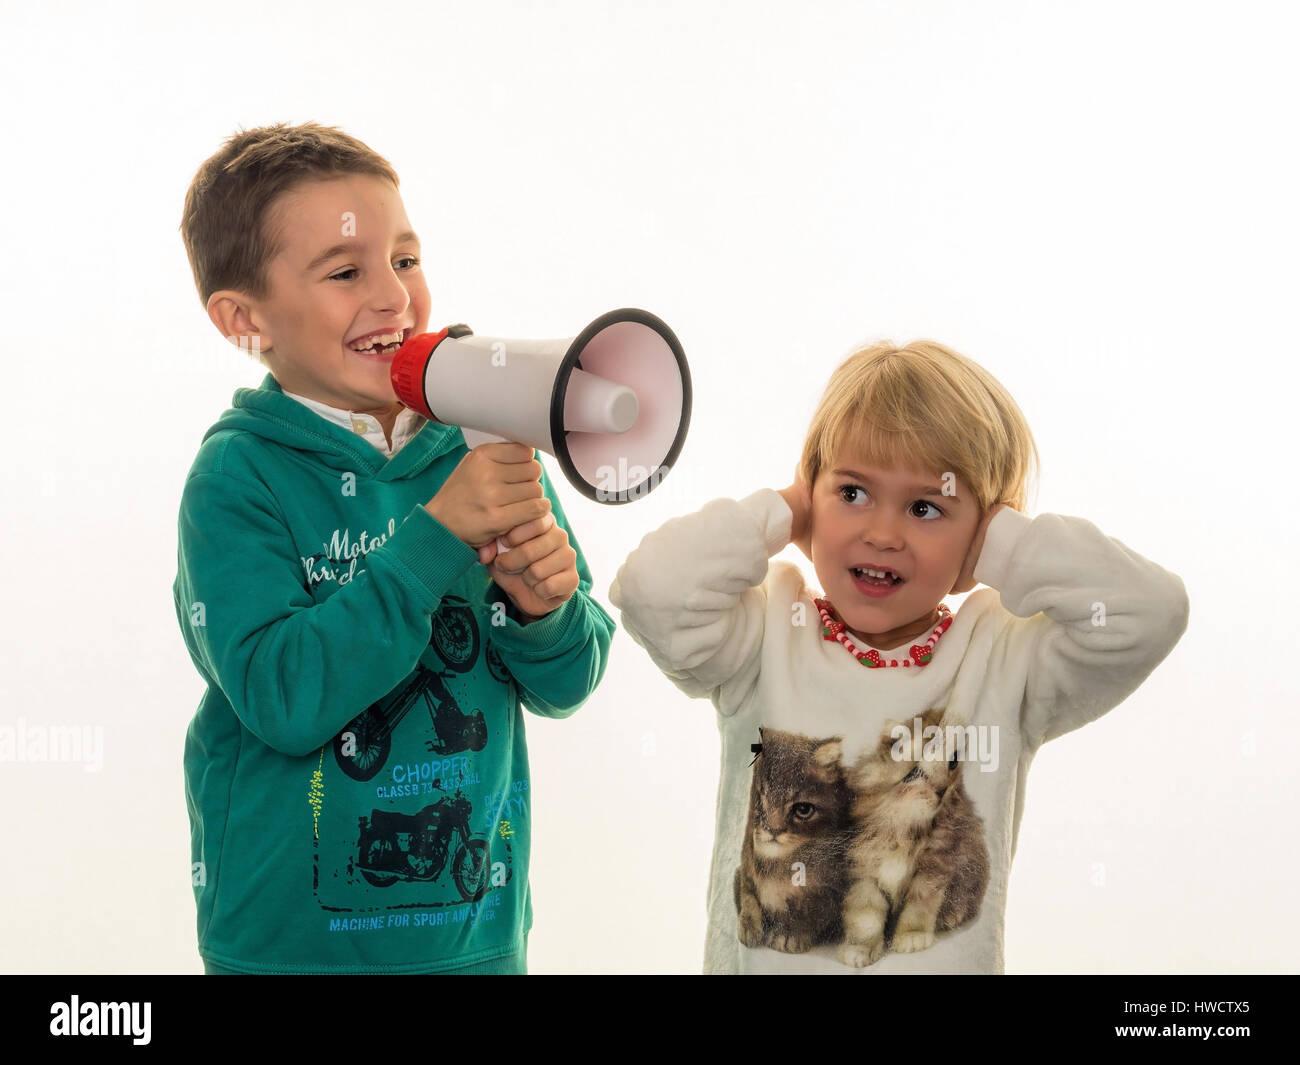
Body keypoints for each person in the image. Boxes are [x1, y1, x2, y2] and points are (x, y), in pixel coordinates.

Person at [174, 122, 615, 974]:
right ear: (244, 320)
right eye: (346, 272)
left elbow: (569, 681)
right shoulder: (237, 475)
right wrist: (438, 536)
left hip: (473, 939)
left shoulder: (479, 442)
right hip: (290, 950)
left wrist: (544, 609)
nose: (394, 298)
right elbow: (283, 695)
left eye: (405, 260)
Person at [609, 339, 1188, 974]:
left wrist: (1001, 546)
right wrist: (785, 509)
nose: (883, 534)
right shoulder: (766, 629)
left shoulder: (1003, 654)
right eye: (852, 492)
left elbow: (1152, 612)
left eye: (925, 507)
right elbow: (649, 591)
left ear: (982, 530)